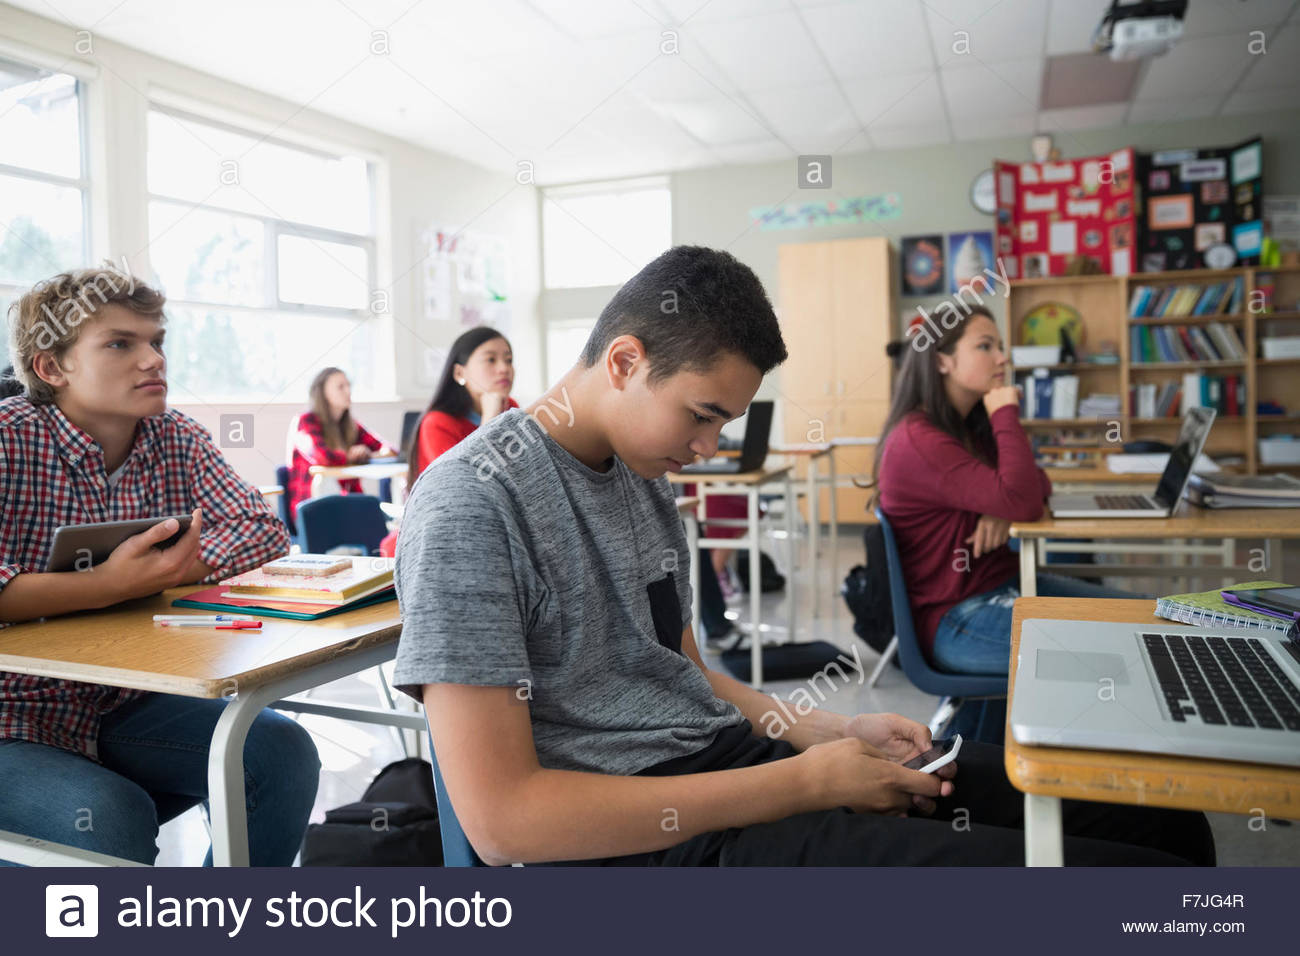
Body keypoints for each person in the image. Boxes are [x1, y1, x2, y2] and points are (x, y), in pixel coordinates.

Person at [391, 247, 1213, 867]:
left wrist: (830, 729)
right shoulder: (472, 500)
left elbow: (686, 674)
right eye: (703, 417)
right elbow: (503, 822)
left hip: (735, 773)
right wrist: (802, 783)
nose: (711, 448)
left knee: (1161, 819)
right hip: (657, 839)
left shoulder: (639, 474)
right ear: (625, 362)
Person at [0, 266, 319, 866]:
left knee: (279, 752)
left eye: (157, 342)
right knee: (109, 815)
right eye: (121, 343)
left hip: (117, 697)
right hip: (10, 714)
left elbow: (263, 530)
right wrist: (103, 586)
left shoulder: (174, 436)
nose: (153, 360)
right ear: (51, 367)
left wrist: (175, 571)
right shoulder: (8, 439)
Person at [874, 305, 1136, 683]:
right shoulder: (920, 439)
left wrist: (1001, 508)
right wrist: (1005, 415)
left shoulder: (963, 426)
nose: (1003, 357)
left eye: (1000, 346)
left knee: (1150, 615)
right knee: (1128, 646)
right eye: (986, 347)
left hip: (1005, 588)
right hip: (959, 619)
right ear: (942, 361)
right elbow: (1027, 499)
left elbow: (1035, 483)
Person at [405, 326, 517, 491]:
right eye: (491, 360)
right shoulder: (437, 423)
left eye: (508, 360)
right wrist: (490, 419)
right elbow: (465, 485)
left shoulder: (511, 407)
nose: (504, 368)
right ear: (459, 373)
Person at [285, 367, 395, 521]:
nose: (348, 391)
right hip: (312, 510)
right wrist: (352, 456)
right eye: (340, 387)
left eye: (349, 385)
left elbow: (389, 450)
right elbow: (323, 457)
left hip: (349, 504)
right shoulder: (304, 422)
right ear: (323, 392)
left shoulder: (351, 426)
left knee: (388, 518)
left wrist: (367, 454)